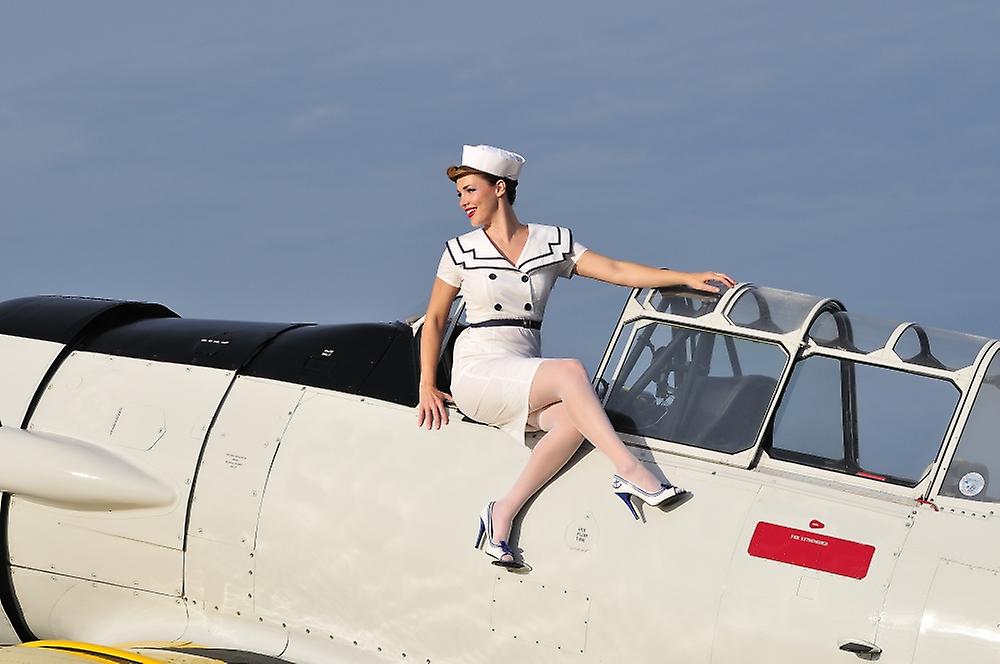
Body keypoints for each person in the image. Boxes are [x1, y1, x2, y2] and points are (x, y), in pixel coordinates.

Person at [417, 144, 735, 568]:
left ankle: (502, 511)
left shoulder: (551, 242)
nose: (463, 203)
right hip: (479, 368)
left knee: (572, 421)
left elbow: (617, 271)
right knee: (571, 372)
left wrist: (684, 277)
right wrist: (427, 384)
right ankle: (628, 467)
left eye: (470, 190)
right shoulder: (460, 250)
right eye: (459, 194)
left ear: (500, 188)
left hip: (523, 365)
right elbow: (436, 318)